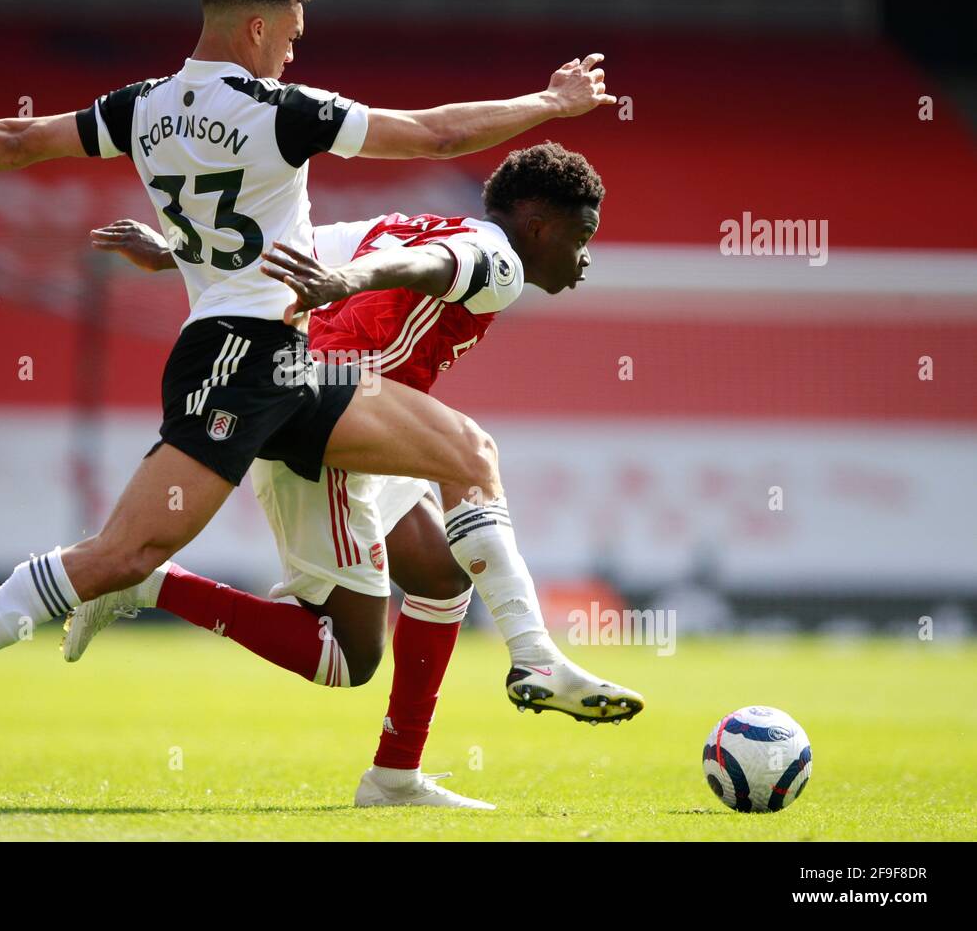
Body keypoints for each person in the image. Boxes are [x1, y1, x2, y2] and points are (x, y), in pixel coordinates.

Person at [0, 0, 614, 771]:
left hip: (288, 362)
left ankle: (529, 659)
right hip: (238, 363)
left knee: (463, 461)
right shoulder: (283, 110)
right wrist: (550, 102)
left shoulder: (142, 106)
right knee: (120, 553)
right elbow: (438, 135)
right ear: (258, 27)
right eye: (292, 35)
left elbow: (18, 140)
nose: (294, 51)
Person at [66, 142, 644, 808]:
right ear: (540, 226)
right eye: (582, 235)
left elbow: (289, 247)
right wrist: (356, 280)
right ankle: (149, 585)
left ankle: (396, 776)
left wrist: (173, 251)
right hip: (328, 425)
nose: (587, 256)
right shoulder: (498, 260)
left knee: (438, 573)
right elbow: (424, 267)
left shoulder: (409, 222)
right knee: (345, 658)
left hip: (358, 421)